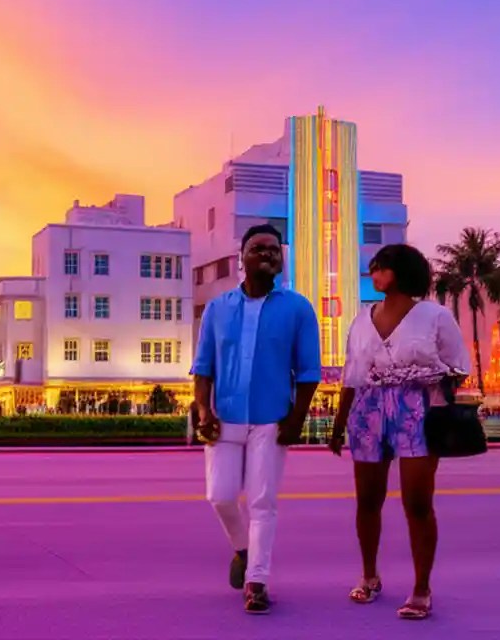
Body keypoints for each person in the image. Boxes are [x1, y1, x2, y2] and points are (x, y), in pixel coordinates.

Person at [329, 244, 470, 621]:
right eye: (372, 269)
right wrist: (339, 424)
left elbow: (459, 368)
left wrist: (421, 377)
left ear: (401, 271)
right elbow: (351, 374)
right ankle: (370, 575)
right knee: (367, 500)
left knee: (417, 503)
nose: (373, 275)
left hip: (417, 408)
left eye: (381, 269)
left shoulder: (434, 316)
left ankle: (421, 587)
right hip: (368, 409)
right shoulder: (362, 318)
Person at [191, 224, 322, 614]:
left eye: (274, 250)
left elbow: (309, 372)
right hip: (225, 417)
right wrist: (203, 408)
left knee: (263, 502)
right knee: (220, 495)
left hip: (271, 419)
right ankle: (243, 550)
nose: (268, 254)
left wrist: (296, 418)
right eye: (258, 248)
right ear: (241, 258)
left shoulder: (298, 308)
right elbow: (203, 367)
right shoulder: (217, 308)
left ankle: (257, 581)